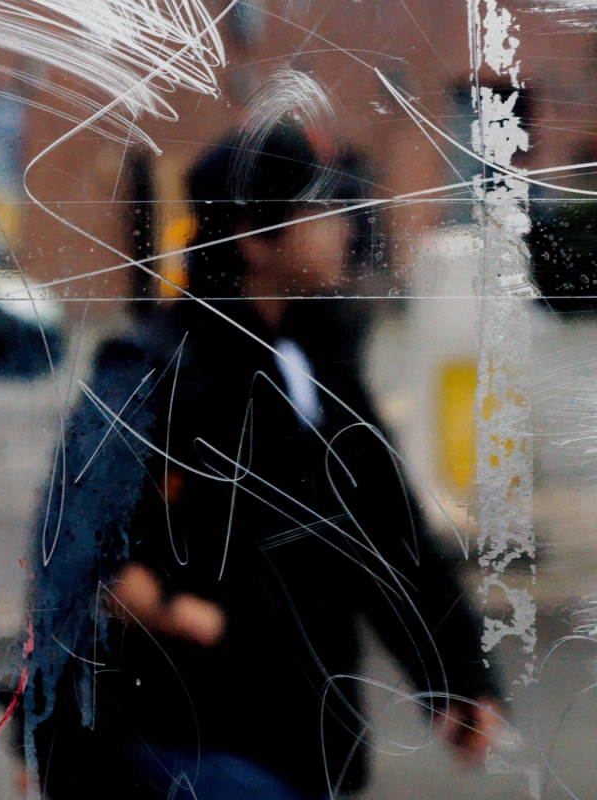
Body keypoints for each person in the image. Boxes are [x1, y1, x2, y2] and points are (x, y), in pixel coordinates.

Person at [26, 122, 502, 799]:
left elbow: (389, 532)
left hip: (301, 739)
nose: (343, 225)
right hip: (181, 739)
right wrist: (172, 610)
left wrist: (456, 677)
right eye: (320, 209)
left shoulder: (321, 361)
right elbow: (68, 543)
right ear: (255, 237)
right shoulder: (155, 369)